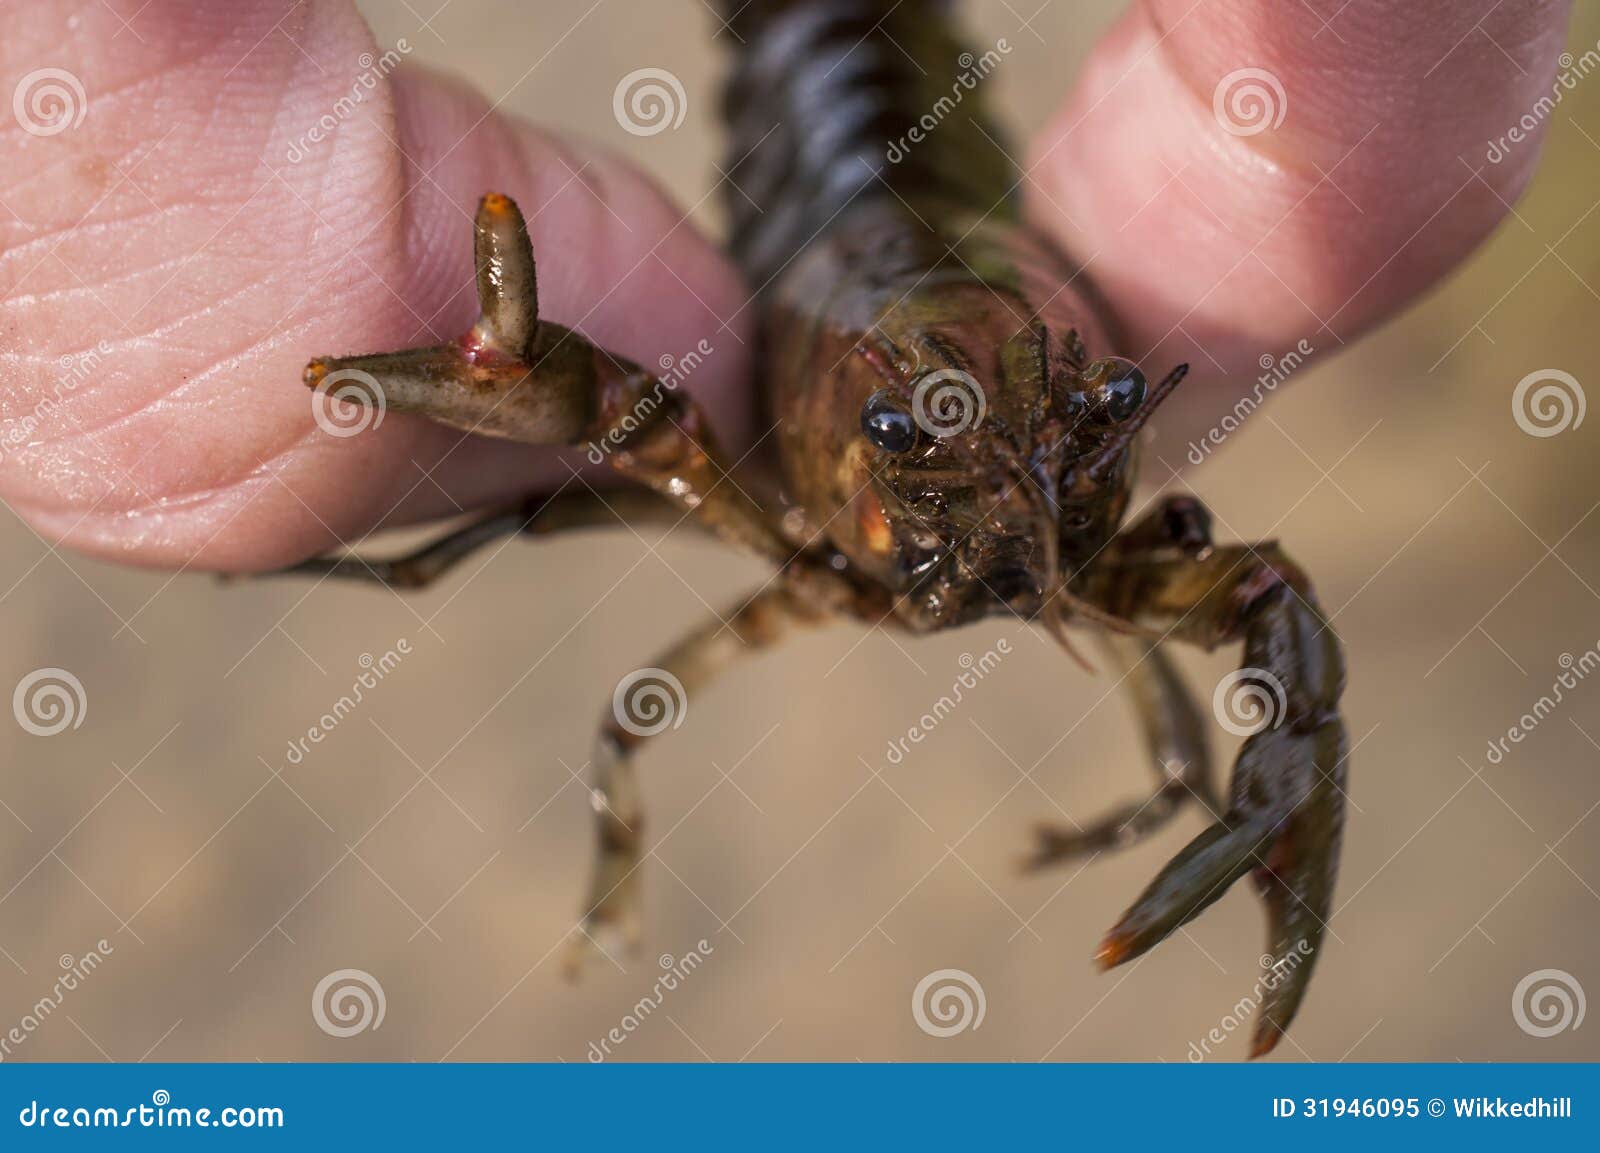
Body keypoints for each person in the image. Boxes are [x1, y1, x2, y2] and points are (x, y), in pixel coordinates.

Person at [0, 0, 1571, 571]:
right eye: (910, 457)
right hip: (822, 118)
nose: (1011, 498)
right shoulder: (736, 441)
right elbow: (634, 427)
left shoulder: (1066, 473)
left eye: (1099, 418)